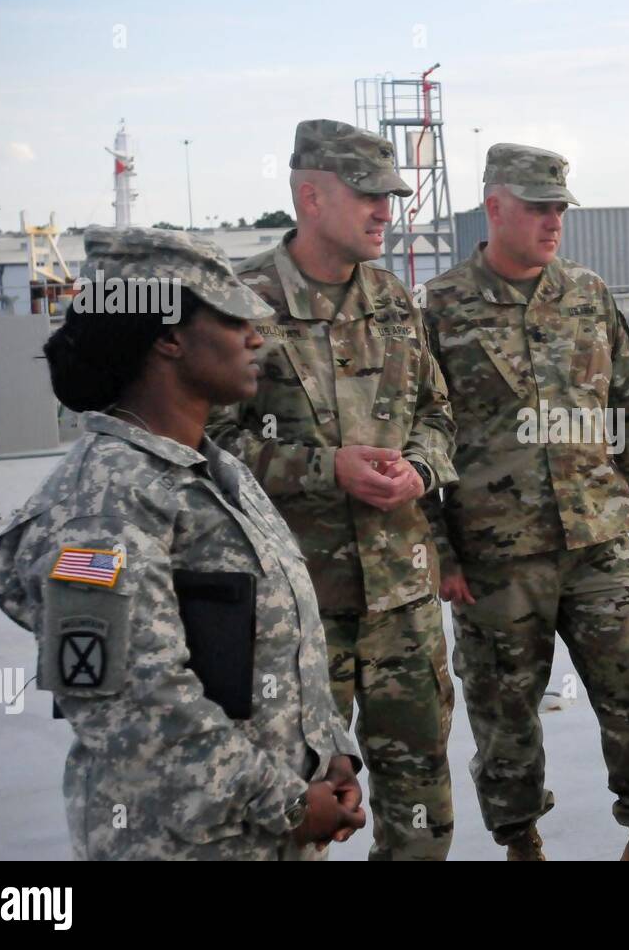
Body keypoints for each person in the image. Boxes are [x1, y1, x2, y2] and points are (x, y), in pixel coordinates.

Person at [0, 226, 365, 860]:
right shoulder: (103, 503)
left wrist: (330, 754)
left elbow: (285, 646)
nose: (256, 337)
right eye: (232, 317)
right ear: (166, 335)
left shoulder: (216, 473)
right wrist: (290, 804)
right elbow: (136, 711)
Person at [423, 143, 629, 860]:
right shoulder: (440, 308)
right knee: (504, 717)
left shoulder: (588, 293)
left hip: (598, 539)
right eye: (537, 207)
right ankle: (522, 843)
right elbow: (419, 432)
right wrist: (440, 552)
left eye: (559, 208)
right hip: (495, 558)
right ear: (495, 206)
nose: (552, 221)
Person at [206, 119, 457, 861]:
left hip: (404, 609)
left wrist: (421, 466)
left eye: (392, 196)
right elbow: (205, 447)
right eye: (370, 195)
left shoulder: (393, 299)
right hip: (296, 618)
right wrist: (324, 469)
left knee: (424, 821)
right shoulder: (241, 305)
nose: (388, 211)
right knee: (296, 818)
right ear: (311, 197)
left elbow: (439, 414)